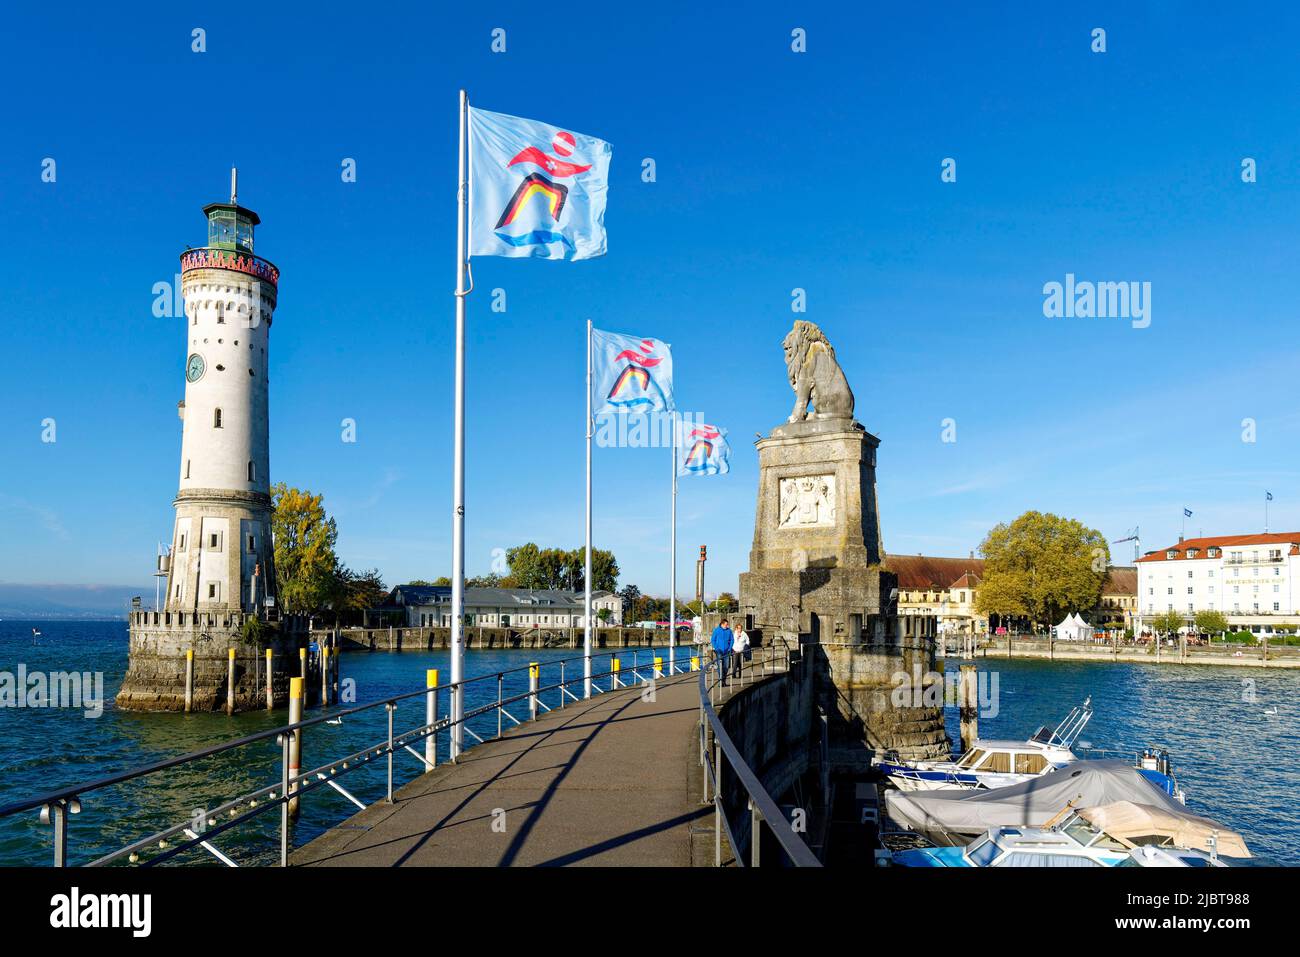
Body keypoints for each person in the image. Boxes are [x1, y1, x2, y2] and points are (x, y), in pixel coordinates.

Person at [710, 618, 734, 686]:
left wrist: (729, 648)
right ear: (722, 624)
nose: (727, 625)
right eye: (726, 624)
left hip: (727, 651)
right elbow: (713, 640)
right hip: (719, 651)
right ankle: (720, 681)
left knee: (726, 666)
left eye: (727, 624)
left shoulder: (729, 631)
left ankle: (724, 681)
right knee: (720, 666)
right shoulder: (717, 630)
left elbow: (732, 640)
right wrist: (716, 648)